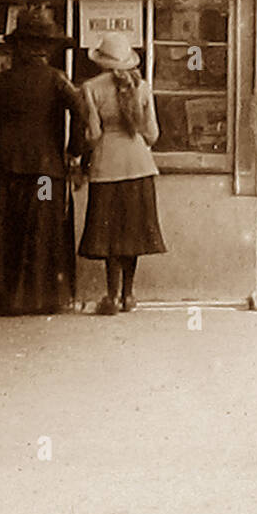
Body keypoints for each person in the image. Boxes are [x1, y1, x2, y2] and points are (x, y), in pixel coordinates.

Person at [0, 7, 84, 316]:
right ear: (47, 48)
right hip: (44, 175)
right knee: (41, 228)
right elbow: (81, 113)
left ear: (20, 46)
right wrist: (74, 150)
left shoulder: (3, 81)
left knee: (2, 229)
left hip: (2, 172)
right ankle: (39, 297)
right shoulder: (58, 80)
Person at [78, 31, 166, 315]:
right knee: (133, 234)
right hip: (139, 165)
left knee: (110, 235)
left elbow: (93, 134)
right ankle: (129, 295)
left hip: (107, 167)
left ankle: (111, 296)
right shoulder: (143, 87)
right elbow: (152, 134)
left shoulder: (90, 88)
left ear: (101, 62)